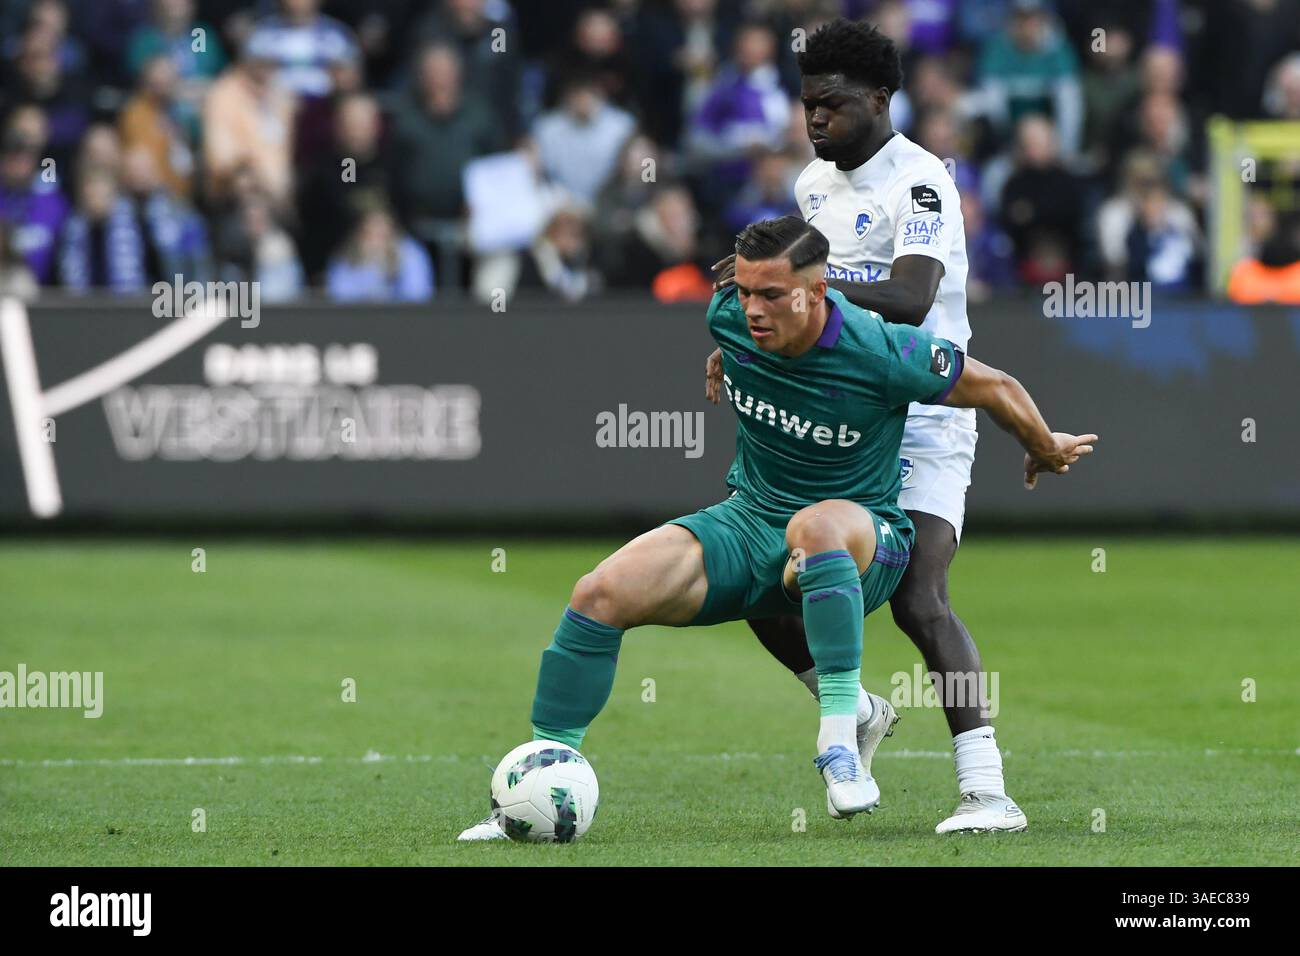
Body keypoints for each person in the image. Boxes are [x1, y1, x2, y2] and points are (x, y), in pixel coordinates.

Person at [459, 216, 1097, 840]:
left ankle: (838, 741)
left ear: (817, 293)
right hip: (751, 519)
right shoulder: (729, 320)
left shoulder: (881, 350)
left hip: (865, 535)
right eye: (743, 290)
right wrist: (726, 357)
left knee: (816, 526)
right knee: (597, 593)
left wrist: (1043, 446)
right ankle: (539, 775)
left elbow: (996, 385)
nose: (751, 308)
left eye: (770, 294)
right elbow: (738, 335)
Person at [706, 18, 1030, 833]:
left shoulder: (920, 182)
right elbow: (801, 308)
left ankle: (988, 791)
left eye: (831, 104)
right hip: (841, 415)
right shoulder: (815, 186)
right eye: (807, 104)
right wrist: (746, 341)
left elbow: (913, 297)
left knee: (919, 597)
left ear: (879, 99)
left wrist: (812, 278)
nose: (814, 120)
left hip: (926, 411)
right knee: (760, 579)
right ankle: (849, 707)